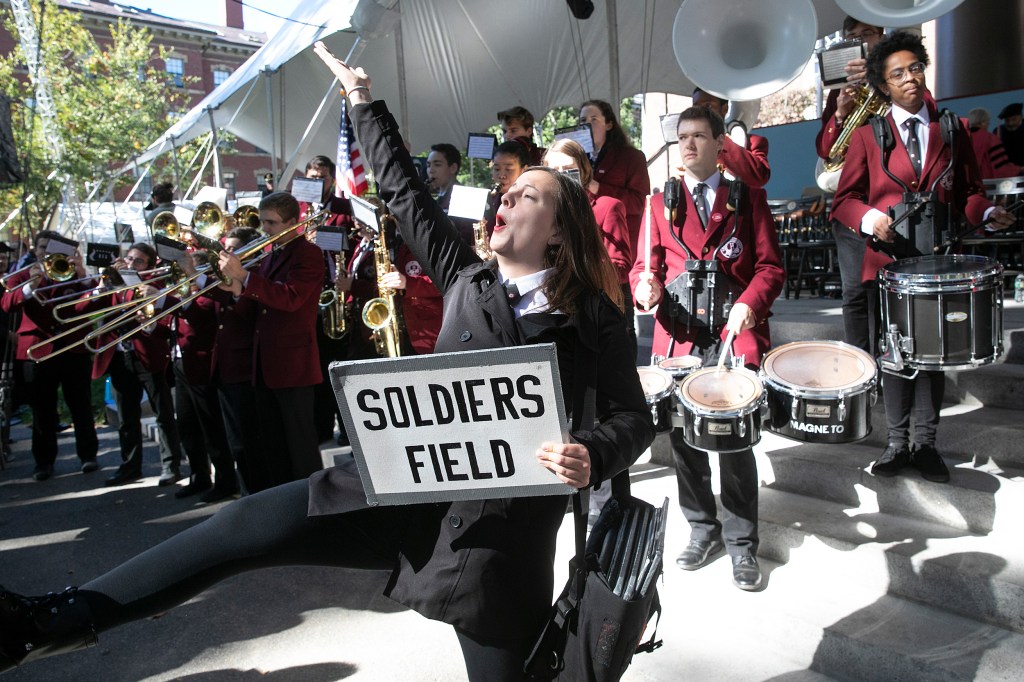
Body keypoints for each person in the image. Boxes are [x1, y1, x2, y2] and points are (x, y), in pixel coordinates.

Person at [0, 47, 655, 681]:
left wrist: (593, 454)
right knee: (240, 526)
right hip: (397, 490)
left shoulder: (595, 319)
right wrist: (361, 102)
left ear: (562, 231)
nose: (504, 202)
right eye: (506, 195)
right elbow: (402, 190)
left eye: (527, 198)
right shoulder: (467, 274)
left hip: (499, 545)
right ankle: (55, 621)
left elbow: (633, 419)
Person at [831, 31, 1016, 483]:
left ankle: (926, 444)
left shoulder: (951, 129)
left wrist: (989, 211)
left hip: (936, 261)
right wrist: (871, 218)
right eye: (898, 73)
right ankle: (897, 445)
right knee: (896, 356)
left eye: (915, 68)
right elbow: (844, 200)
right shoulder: (868, 137)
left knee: (930, 357)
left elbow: (969, 193)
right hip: (889, 265)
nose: (910, 79)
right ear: (884, 85)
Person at [630, 105, 785, 592]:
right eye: (683, 138)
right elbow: (642, 268)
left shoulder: (748, 198)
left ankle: (742, 543)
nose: (689, 144)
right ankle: (702, 530)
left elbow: (770, 268)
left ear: (721, 143)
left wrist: (749, 306)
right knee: (682, 440)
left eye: (699, 135)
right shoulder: (659, 204)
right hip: (678, 334)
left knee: (735, 441)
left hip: (731, 332)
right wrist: (643, 289)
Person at [543, 138, 635, 522]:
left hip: (598, 326)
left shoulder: (608, 206)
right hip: (558, 330)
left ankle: (612, 512)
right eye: (553, 170)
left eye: (569, 170)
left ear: (583, 171)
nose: (562, 177)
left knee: (606, 419)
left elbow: (619, 265)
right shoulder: (542, 214)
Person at [216, 192, 325, 488]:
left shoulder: (308, 254)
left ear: (293, 222)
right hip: (265, 363)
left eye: (271, 223)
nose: (265, 229)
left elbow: (291, 298)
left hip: (292, 365)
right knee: (274, 446)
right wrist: (237, 289)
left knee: (299, 448)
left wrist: (246, 278)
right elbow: (259, 306)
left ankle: (313, 510)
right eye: (263, 222)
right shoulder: (272, 252)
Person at [0, 232, 99, 480]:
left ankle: (88, 456)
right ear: (36, 249)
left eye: (52, 247)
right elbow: (7, 303)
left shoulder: (71, 271)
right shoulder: (24, 274)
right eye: (43, 247)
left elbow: (93, 299)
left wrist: (82, 273)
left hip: (72, 346)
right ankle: (43, 462)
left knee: (81, 404)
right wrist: (30, 286)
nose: (47, 252)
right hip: (39, 348)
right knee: (42, 408)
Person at [817, 18, 888, 355]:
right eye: (852, 37)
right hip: (852, 202)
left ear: (881, 36)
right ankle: (860, 366)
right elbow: (824, 148)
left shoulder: (899, 75)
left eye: (867, 34)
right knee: (854, 293)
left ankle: (892, 362)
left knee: (886, 292)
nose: (859, 42)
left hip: (889, 200)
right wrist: (841, 113)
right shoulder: (840, 87)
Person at [90, 243, 184, 486]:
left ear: (151, 265)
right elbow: (88, 306)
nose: (131, 264)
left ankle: (170, 465)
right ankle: (130, 465)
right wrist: (103, 284)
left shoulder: (155, 284)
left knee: (162, 413)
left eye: (139, 261)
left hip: (148, 355)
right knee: (126, 416)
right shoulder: (113, 281)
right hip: (120, 356)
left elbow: (164, 317)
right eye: (129, 258)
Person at [170, 250, 238, 503]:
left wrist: (183, 294)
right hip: (179, 361)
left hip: (201, 364)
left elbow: (200, 318)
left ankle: (225, 480)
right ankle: (198, 475)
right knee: (186, 425)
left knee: (212, 427)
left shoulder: (210, 293)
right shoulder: (184, 290)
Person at [578, 99, 650, 258]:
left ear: (609, 124)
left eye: (594, 120)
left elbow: (639, 203)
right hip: (583, 245)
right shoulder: (573, 160)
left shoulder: (631, 157)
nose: (588, 125)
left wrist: (598, 188)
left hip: (619, 245)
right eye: (583, 121)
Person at [691, 88, 771, 188]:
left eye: (708, 105)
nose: (701, 112)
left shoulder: (755, 142)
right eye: (696, 107)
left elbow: (759, 177)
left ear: (725, 109)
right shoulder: (691, 144)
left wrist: (716, 139)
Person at [968, 108, 1022, 179]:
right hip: (985, 183)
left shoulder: (964, 138)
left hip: (967, 183)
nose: (988, 125)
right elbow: (1002, 168)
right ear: (983, 122)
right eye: (988, 122)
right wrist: (1019, 169)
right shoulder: (990, 138)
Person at [997, 102, 1024, 166]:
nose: (1010, 123)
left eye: (1014, 119)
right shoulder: (999, 131)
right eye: (1007, 120)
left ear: (1021, 117)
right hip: (1007, 172)